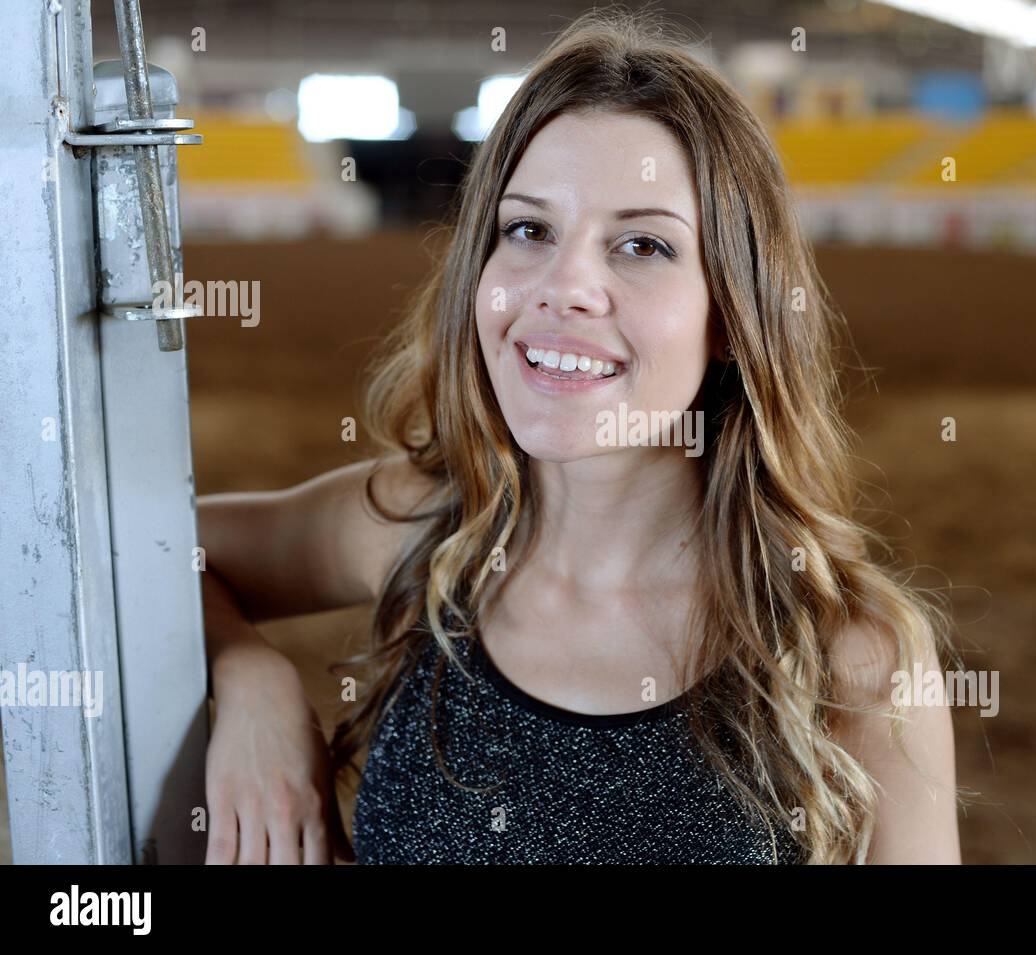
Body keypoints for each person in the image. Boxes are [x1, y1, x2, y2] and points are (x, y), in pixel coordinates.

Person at [198, 9, 962, 865]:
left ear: (733, 314)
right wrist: (250, 679)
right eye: (529, 229)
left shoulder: (851, 653)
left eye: (642, 244)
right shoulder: (422, 528)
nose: (566, 287)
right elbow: (162, 553)